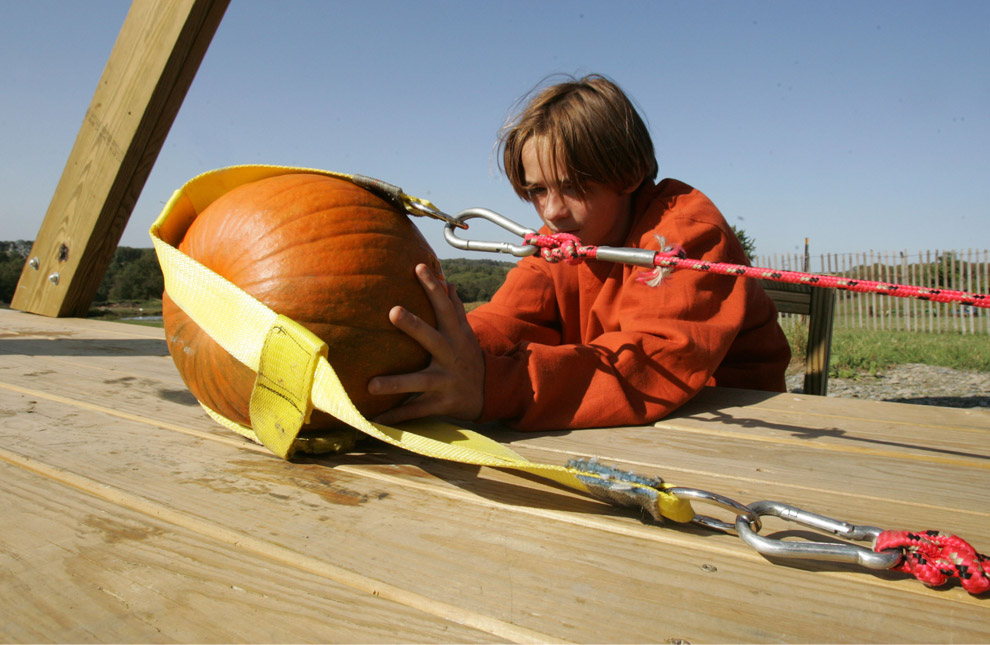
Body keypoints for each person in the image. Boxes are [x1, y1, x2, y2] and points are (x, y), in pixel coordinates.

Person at [369, 74, 791, 431]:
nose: (552, 210)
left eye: (573, 185)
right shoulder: (559, 243)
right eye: (537, 190)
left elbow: (648, 364)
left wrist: (490, 387)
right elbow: (508, 320)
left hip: (728, 424)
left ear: (627, 173)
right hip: (618, 419)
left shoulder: (685, 235)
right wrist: (428, 354)